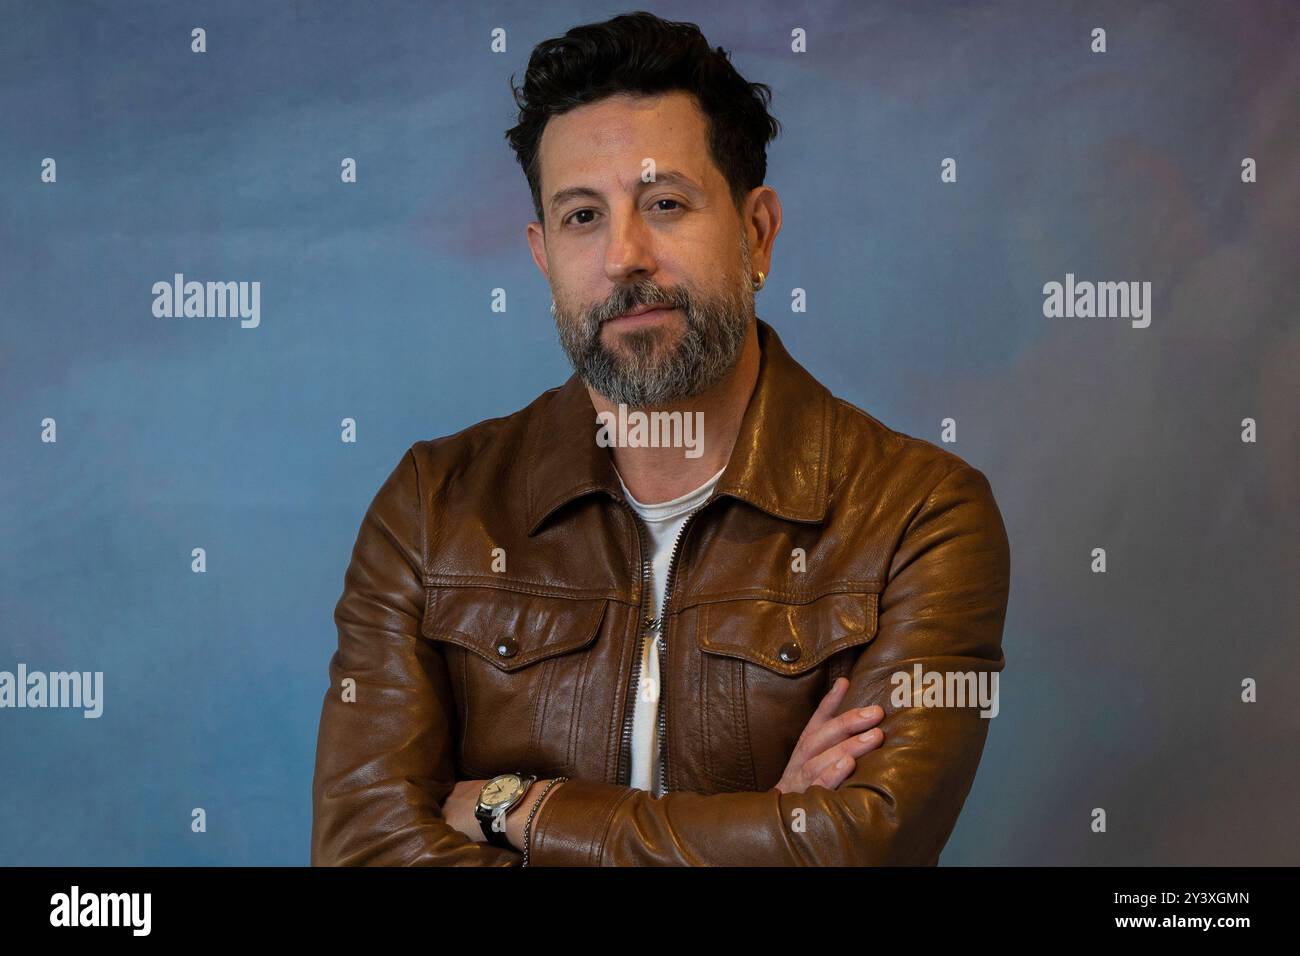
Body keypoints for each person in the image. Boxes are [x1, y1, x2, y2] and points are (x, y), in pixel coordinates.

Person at [310, 10, 1010, 866]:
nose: (624, 257)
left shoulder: (918, 515)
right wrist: (766, 826)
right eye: (581, 217)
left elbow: (861, 849)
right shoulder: (433, 505)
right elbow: (362, 850)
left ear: (757, 233)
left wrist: (520, 809)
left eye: (665, 204)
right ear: (541, 256)